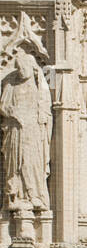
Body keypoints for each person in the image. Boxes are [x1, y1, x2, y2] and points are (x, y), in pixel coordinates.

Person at [0, 48, 51, 212]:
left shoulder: (39, 83)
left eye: (23, 68)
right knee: (14, 163)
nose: (21, 72)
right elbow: (3, 106)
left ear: (31, 67)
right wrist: (13, 112)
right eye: (19, 68)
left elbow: (45, 109)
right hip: (15, 130)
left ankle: (34, 195)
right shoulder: (10, 82)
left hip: (32, 132)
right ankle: (15, 196)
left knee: (31, 161)